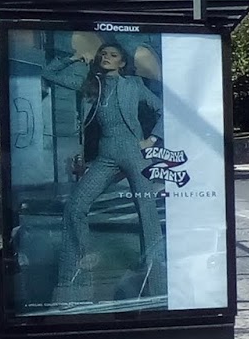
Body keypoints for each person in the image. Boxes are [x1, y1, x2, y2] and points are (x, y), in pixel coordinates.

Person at [42, 32, 166, 304]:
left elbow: (163, 109)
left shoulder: (134, 84)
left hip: (135, 154)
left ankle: (156, 284)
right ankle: (76, 281)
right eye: (103, 55)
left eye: (112, 55)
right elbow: (49, 74)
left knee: (147, 213)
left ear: (122, 63)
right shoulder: (90, 83)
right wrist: (74, 57)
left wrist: (152, 140)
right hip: (106, 157)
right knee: (75, 207)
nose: (106, 58)